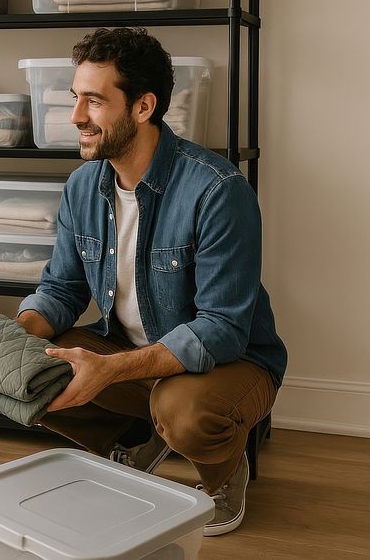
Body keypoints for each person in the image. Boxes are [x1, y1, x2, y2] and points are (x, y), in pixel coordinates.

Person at [17, 27, 287, 537]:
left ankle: (224, 471)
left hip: (233, 362)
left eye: (94, 102)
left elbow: (223, 328)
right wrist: (16, 339)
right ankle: (135, 440)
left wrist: (111, 369)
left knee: (182, 411)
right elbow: (61, 289)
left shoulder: (217, 189)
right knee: (25, 370)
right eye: (76, 98)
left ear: (143, 107)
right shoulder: (82, 186)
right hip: (132, 353)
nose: (76, 117)